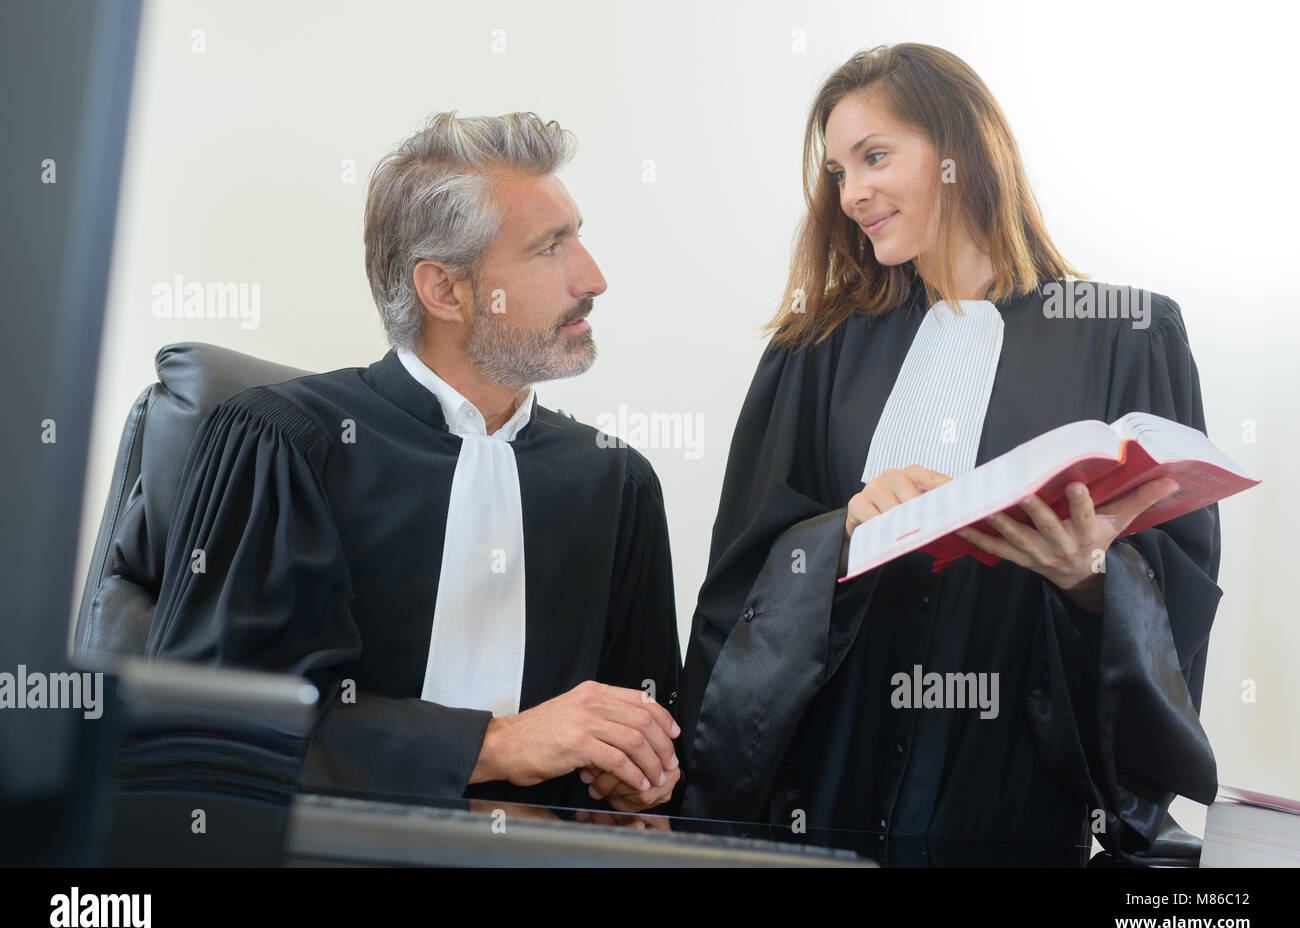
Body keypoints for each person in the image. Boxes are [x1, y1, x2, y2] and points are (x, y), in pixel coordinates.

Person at [668, 45, 1220, 865]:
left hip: (1012, 804)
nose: (853, 193)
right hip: (825, 800)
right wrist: (839, 534)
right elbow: (737, 586)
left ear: (962, 151)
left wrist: (1092, 581)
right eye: (838, 172)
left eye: (876, 156)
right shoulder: (813, 353)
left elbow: (1178, 591)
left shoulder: (1127, 336)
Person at [146, 112, 682, 814]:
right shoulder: (282, 443)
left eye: (578, 235)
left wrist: (638, 774)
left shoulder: (617, 484)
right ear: (444, 290)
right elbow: (204, 735)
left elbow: (647, 758)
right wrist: (497, 743)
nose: (593, 277)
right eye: (550, 248)